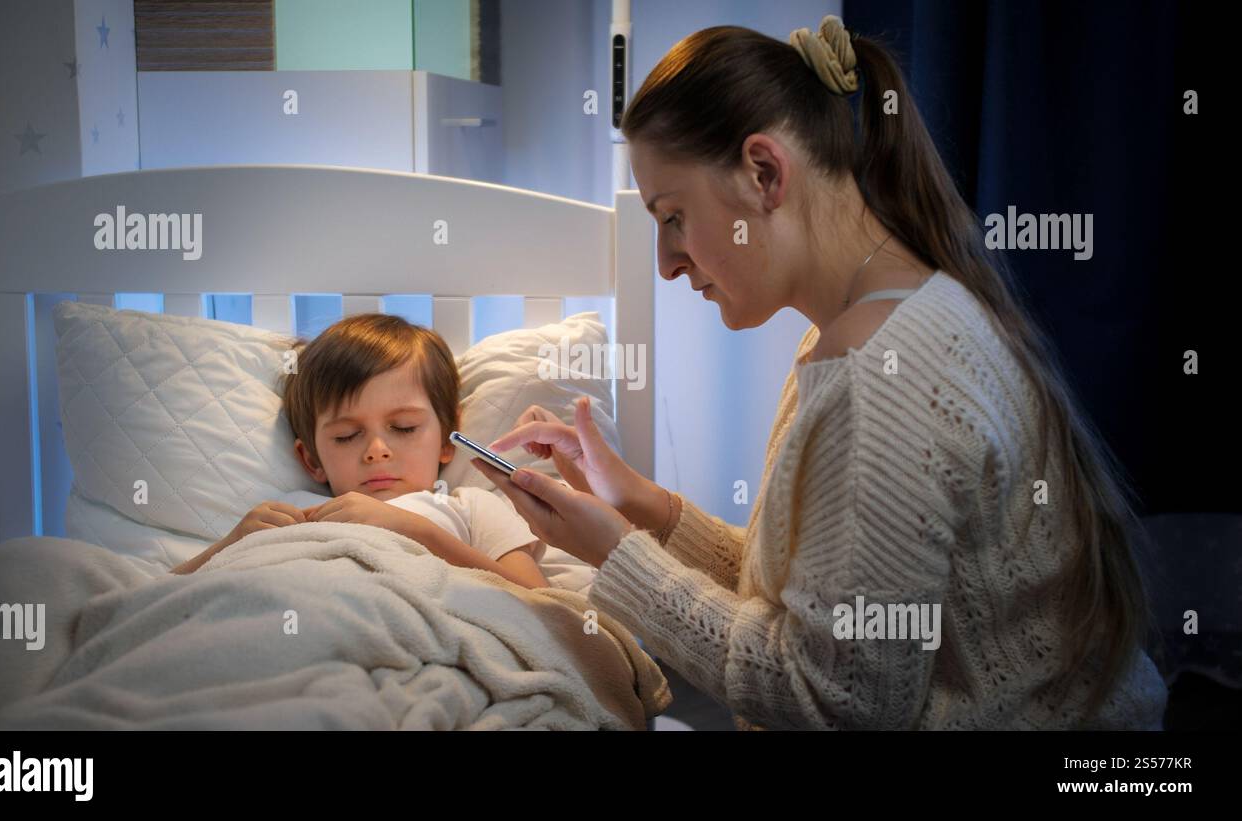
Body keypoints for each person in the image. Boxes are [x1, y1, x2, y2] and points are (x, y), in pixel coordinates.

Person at [471, 16, 1168, 729]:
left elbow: (836, 699)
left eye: (673, 215)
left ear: (764, 172)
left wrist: (614, 555)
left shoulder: (877, 376)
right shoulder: (884, 318)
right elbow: (817, 604)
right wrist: (643, 504)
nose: (666, 262)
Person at [171, 313, 549, 590]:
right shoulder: (291, 510)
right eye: (347, 435)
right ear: (311, 460)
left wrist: (417, 531)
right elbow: (162, 596)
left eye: (404, 428)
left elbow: (539, 604)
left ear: (448, 436)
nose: (376, 451)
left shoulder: (468, 507)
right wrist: (230, 545)